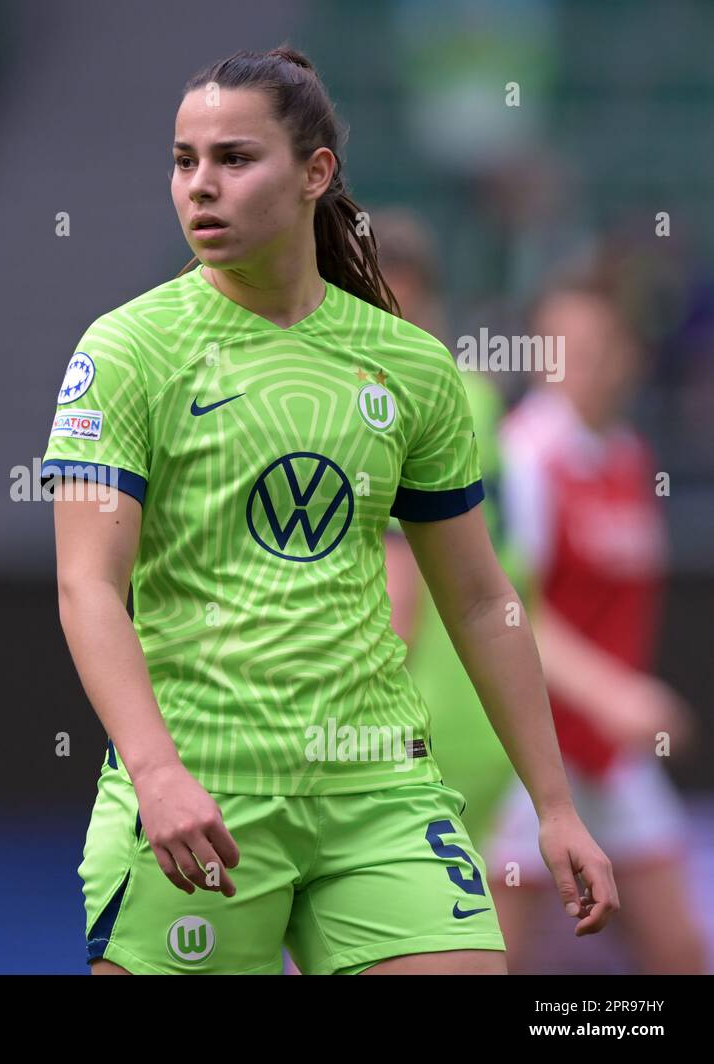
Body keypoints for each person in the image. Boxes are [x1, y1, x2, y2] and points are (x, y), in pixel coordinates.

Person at [41, 45, 617, 976]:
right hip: (203, 792)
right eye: (185, 162)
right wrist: (156, 773)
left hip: (378, 786)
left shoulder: (412, 367)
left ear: (316, 174)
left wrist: (553, 806)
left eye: (234, 159)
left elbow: (479, 600)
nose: (201, 187)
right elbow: (87, 586)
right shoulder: (124, 352)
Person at [485, 279, 704, 974]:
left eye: (595, 347)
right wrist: (616, 693)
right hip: (526, 749)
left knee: (681, 950)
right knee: (496, 956)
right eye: (560, 348)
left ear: (629, 357)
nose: (575, 364)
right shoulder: (524, 457)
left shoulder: (629, 457)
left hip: (608, 758)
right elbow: (511, 610)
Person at [377, 209, 523, 852]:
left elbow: (397, 591)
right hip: (483, 724)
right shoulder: (481, 400)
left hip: (399, 731)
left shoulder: (375, 409)